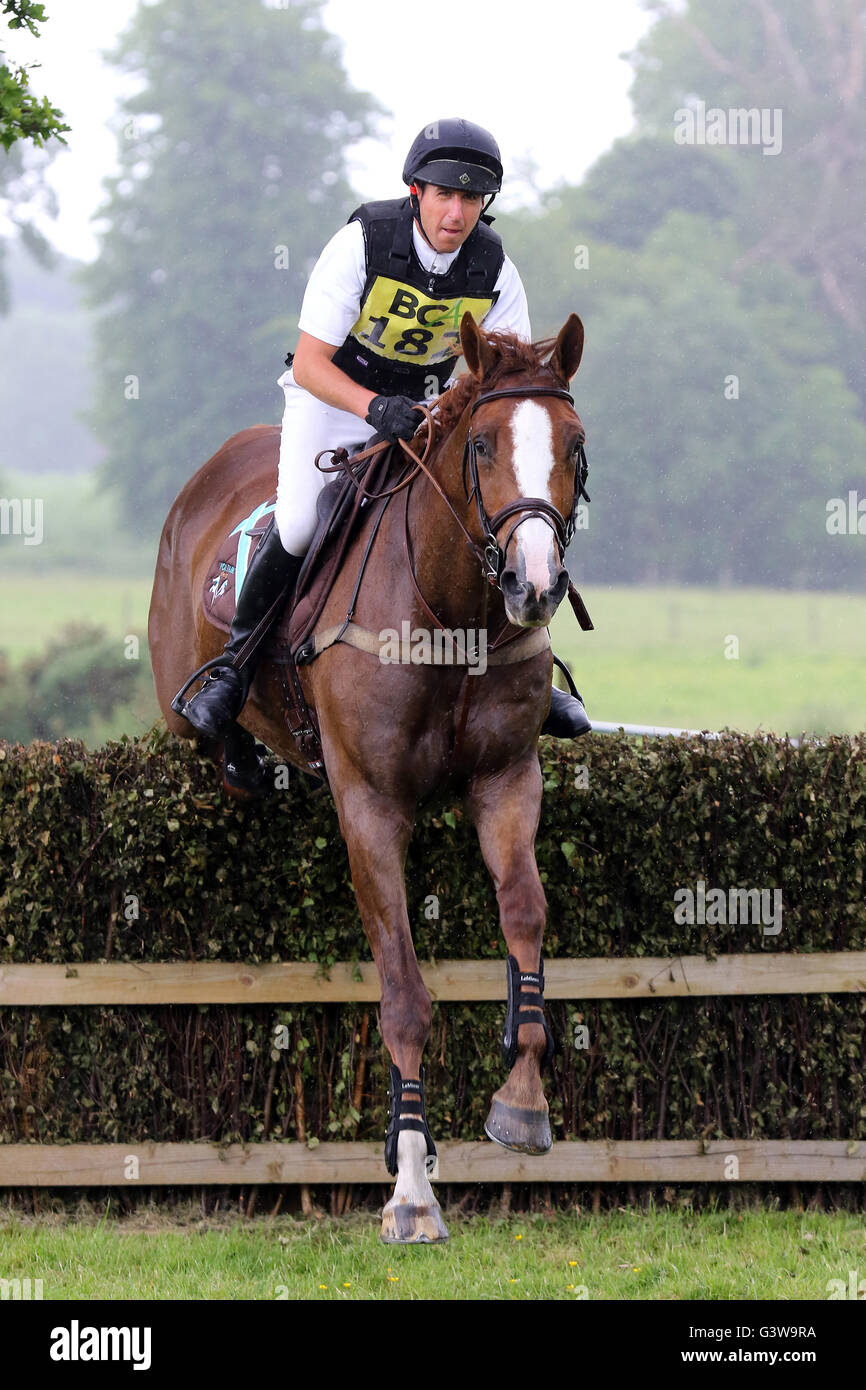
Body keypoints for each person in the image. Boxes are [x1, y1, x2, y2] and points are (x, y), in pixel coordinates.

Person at [181, 117, 590, 742]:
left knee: (490, 514)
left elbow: (499, 384)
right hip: (334, 398)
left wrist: (440, 411)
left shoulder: (498, 273)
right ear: (416, 192)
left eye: (471, 199)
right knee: (298, 522)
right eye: (444, 194)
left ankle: (527, 665)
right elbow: (311, 360)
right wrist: (374, 408)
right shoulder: (362, 244)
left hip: (429, 410)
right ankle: (231, 672)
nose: (457, 213)